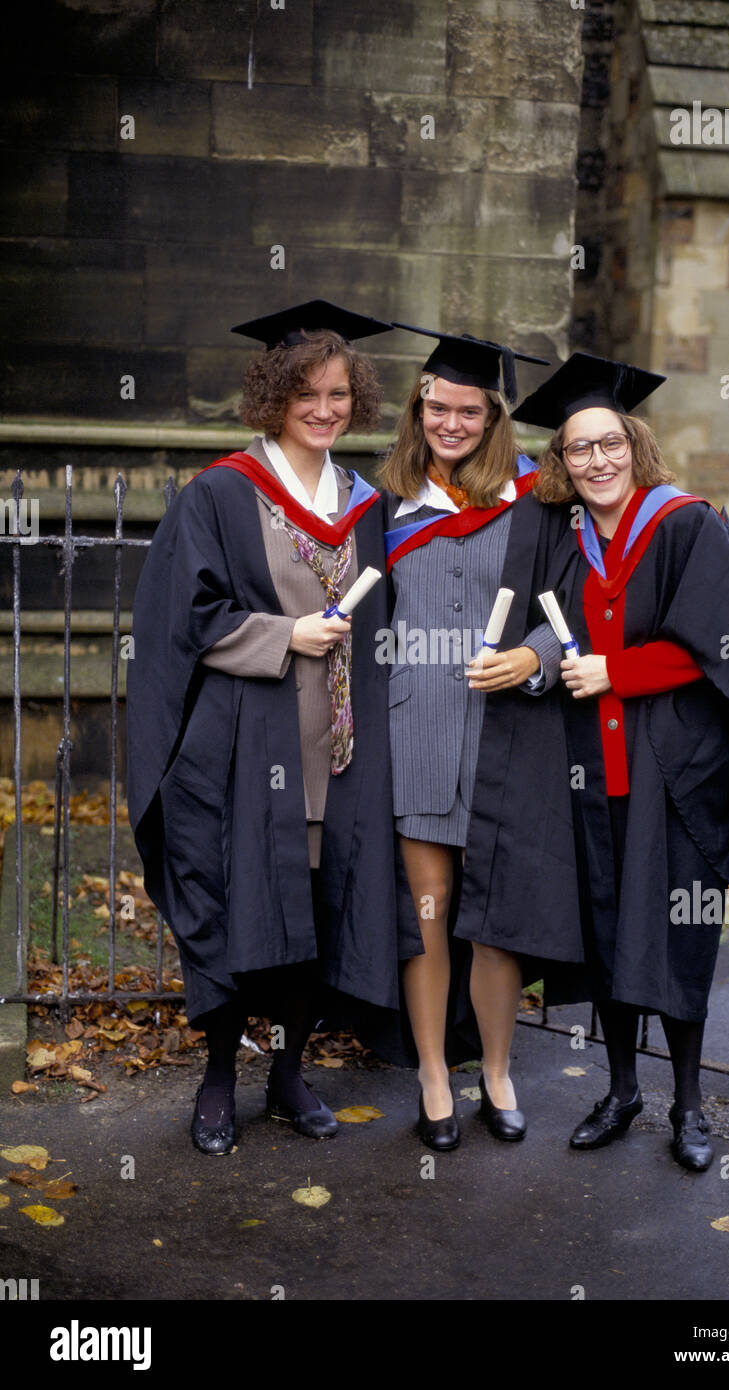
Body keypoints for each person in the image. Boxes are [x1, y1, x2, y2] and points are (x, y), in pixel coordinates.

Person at [506, 351, 729, 1171]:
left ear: (633, 446)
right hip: (590, 773)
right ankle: (620, 1090)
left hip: (672, 775)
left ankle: (685, 1105)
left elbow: (723, 646)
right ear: (561, 463)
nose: (596, 460)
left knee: (677, 938)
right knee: (605, 937)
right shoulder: (564, 539)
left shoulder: (682, 524)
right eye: (577, 449)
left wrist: (617, 670)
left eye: (609, 443)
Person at [127, 300, 408, 1155]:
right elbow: (187, 614)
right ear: (272, 400)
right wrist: (284, 634)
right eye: (305, 396)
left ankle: (288, 1076)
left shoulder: (367, 506)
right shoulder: (220, 493)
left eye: (337, 394)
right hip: (249, 748)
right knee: (237, 907)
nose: (324, 410)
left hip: (340, 749)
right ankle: (218, 1080)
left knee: (313, 919)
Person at [381, 325, 575, 1151]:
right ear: (419, 406)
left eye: (469, 410)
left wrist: (534, 655)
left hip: (506, 738)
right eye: (438, 407)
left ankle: (495, 1072)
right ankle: (432, 1076)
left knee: (493, 920)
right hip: (414, 733)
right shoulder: (384, 507)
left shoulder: (535, 501)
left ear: (494, 415)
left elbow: (572, 611)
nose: (451, 423)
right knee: (426, 915)